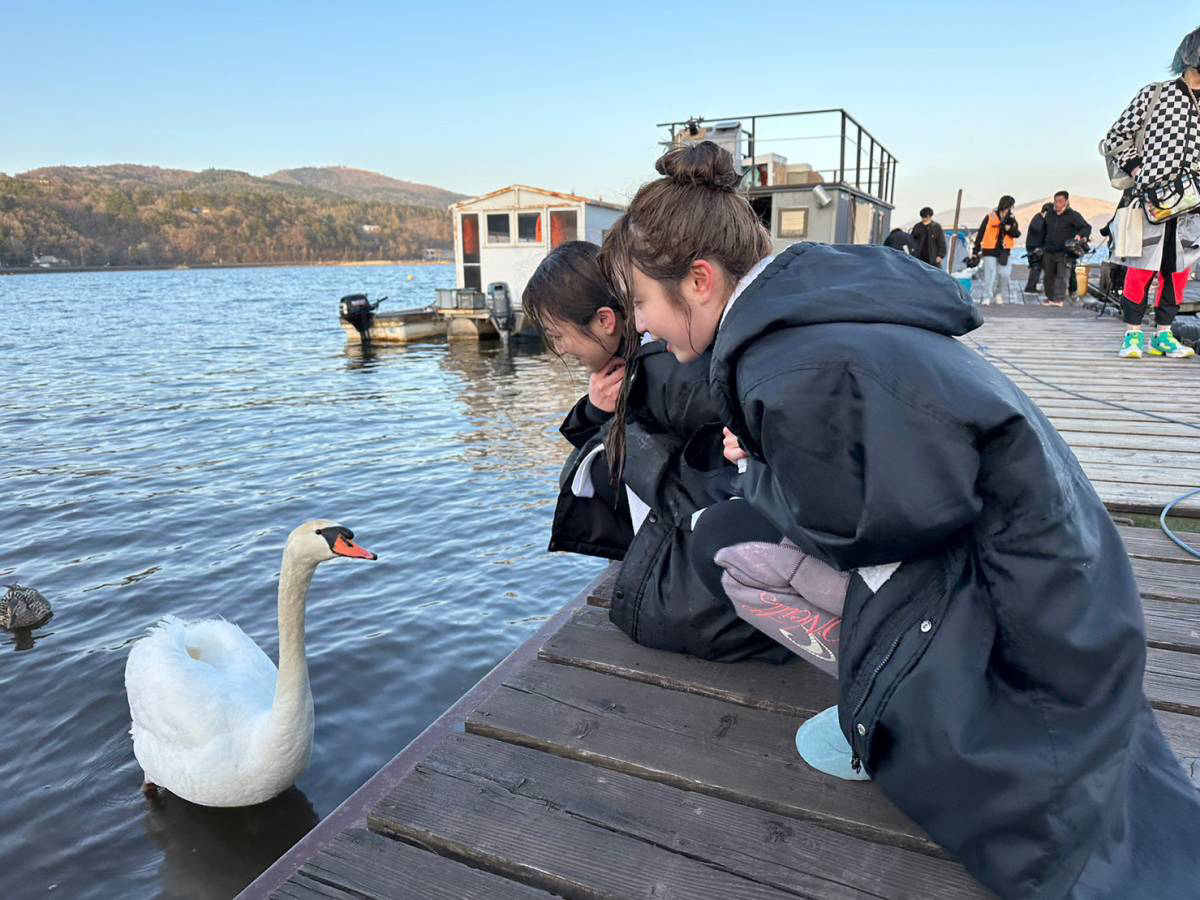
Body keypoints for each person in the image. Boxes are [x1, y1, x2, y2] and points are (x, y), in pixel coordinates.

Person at [598, 140, 1200, 899]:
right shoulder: (815, 320)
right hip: (1069, 585)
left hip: (1024, 634)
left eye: (645, 302)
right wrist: (763, 460)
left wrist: (759, 468)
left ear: (700, 280)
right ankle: (874, 693)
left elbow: (872, 528)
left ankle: (877, 715)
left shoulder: (786, 366)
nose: (645, 328)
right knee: (729, 530)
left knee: (733, 555)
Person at [522, 241, 790, 664]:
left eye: (558, 336)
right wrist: (597, 411)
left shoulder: (668, 370)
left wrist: (615, 427)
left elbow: (704, 486)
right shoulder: (642, 365)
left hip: (711, 581)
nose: (560, 350)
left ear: (607, 320)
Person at [1102, 26, 1200, 358]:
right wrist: (1136, 168)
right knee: (1142, 265)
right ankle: (1132, 334)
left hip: (1194, 205)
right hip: (1151, 199)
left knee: (1179, 271)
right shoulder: (1155, 94)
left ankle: (1163, 334)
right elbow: (1115, 139)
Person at [1040, 190, 1092, 307]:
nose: (1057, 204)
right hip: (1049, 250)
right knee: (1048, 276)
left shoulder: (1073, 215)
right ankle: (1050, 298)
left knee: (1062, 276)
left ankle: (1058, 299)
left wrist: (1079, 235)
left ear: (1066, 202)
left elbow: (1086, 227)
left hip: (1064, 251)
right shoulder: (1049, 215)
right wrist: (1040, 247)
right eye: (1055, 201)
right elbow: (1043, 232)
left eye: (1060, 201)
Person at [971, 195, 1020, 305]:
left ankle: (998, 293)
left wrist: (1010, 229)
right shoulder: (989, 217)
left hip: (1004, 251)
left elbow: (1016, 233)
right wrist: (975, 250)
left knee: (1004, 274)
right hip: (989, 250)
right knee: (990, 274)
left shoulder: (1012, 219)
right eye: (1011, 206)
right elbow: (981, 233)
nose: (1011, 208)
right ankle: (986, 296)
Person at [1023, 202, 1051, 293]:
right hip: (1034, 247)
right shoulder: (1038, 220)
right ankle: (1030, 287)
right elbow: (1041, 232)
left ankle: (1032, 286)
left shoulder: (1038, 219)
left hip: (1035, 246)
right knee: (1036, 267)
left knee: (1037, 267)